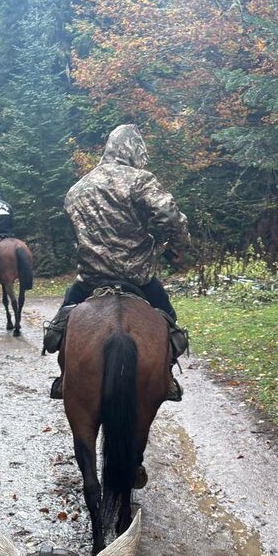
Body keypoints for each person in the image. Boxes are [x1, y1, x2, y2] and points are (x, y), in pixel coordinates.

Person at [44, 125, 190, 395]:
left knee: (61, 325)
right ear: (135, 150)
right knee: (169, 321)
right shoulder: (140, 179)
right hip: (138, 277)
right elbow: (168, 216)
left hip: (91, 278)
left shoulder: (78, 188)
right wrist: (176, 242)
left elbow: (75, 230)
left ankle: (65, 377)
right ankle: (166, 377)